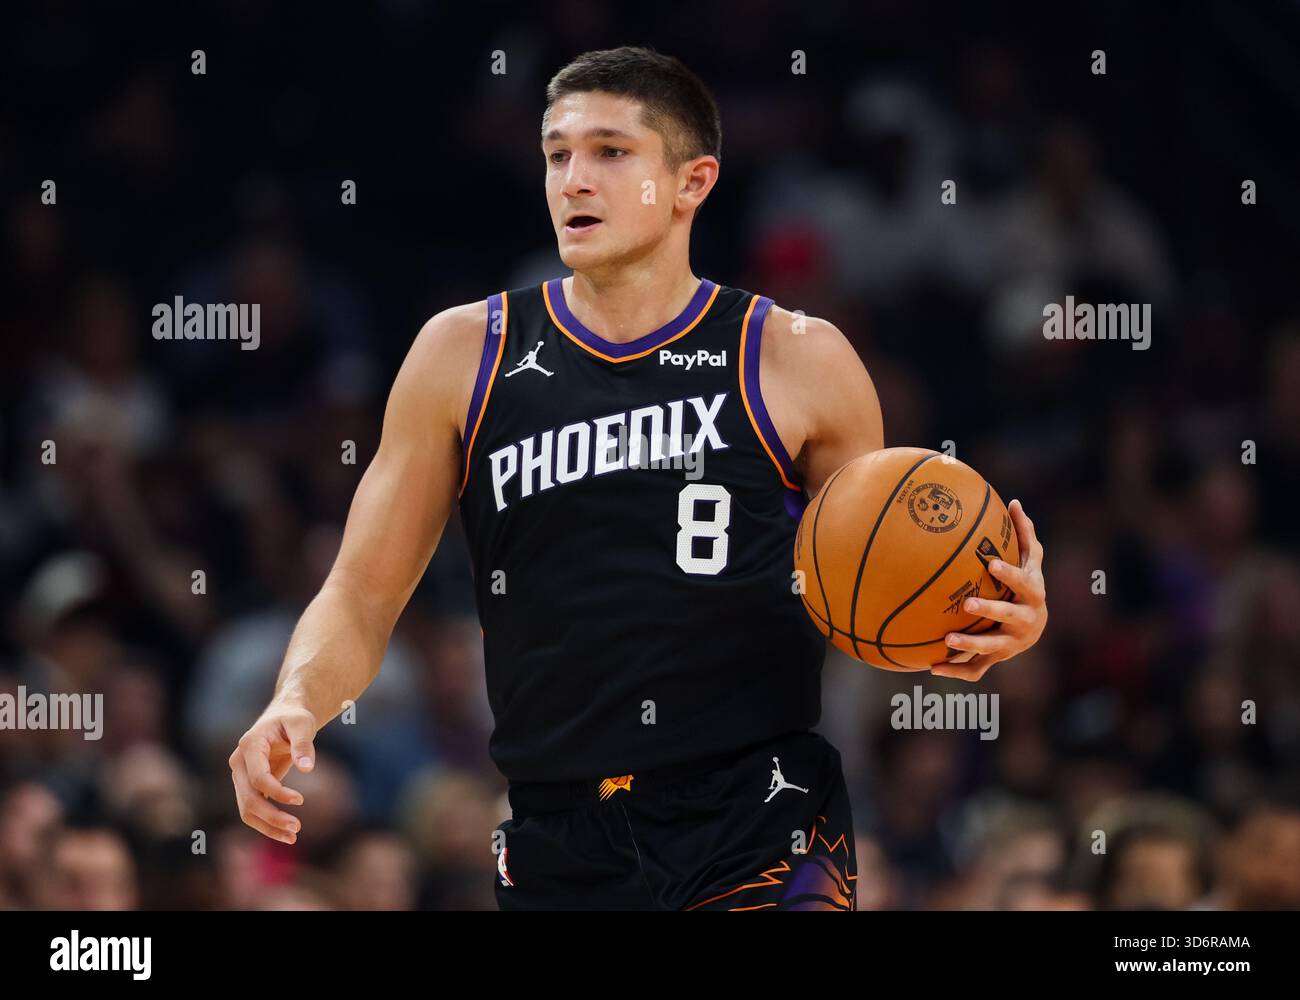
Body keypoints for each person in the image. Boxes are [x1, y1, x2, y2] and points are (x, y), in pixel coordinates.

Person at [229, 46, 1048, 911]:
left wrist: (970, 629)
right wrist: (296, 700)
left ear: (692, 181)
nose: (573, 180)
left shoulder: (797, 358)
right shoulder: (462, 354)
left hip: (757, 806)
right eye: (557, 154)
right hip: (557, 825)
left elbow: (869, 589)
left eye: (611, 152)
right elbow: (362, 590)